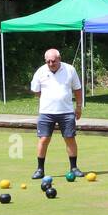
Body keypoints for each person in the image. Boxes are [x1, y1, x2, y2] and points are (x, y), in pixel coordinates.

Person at [29, 48, 84, 179]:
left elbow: (77, 89)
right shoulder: (40, 71)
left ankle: (74, 167)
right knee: (44, 139)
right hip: (46, 112)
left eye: (53, 61)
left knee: (70, 138)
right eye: (48, 61)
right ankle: (40, 169)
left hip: (66, 112)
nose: (50, 63)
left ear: (59, 59)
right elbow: (36, 91)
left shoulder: (70, 69)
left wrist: (78, 106)